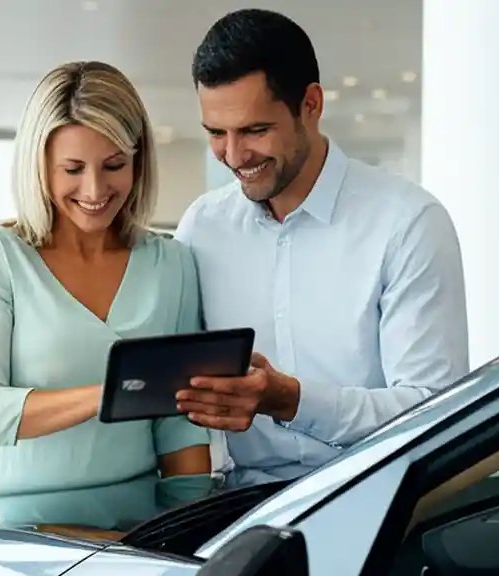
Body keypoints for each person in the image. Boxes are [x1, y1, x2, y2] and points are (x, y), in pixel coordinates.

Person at [174, 9, 470, 487]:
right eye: (215, 133)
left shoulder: (407, 223)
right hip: (234, 508)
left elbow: (431, 407)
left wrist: (289, 400)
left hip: (378, 496)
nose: (233, 155)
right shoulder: (201, 228)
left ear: (310, 104)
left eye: (254, 130)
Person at [0, 61, 213, 530]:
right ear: (39, 165)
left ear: (139, 161)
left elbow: (180, 421)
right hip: (11, 525)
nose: (95, 190)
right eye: (72, 169)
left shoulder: (170, 264)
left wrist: (189, 523)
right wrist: (114, 393)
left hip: (134, 525)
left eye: (114, 166)